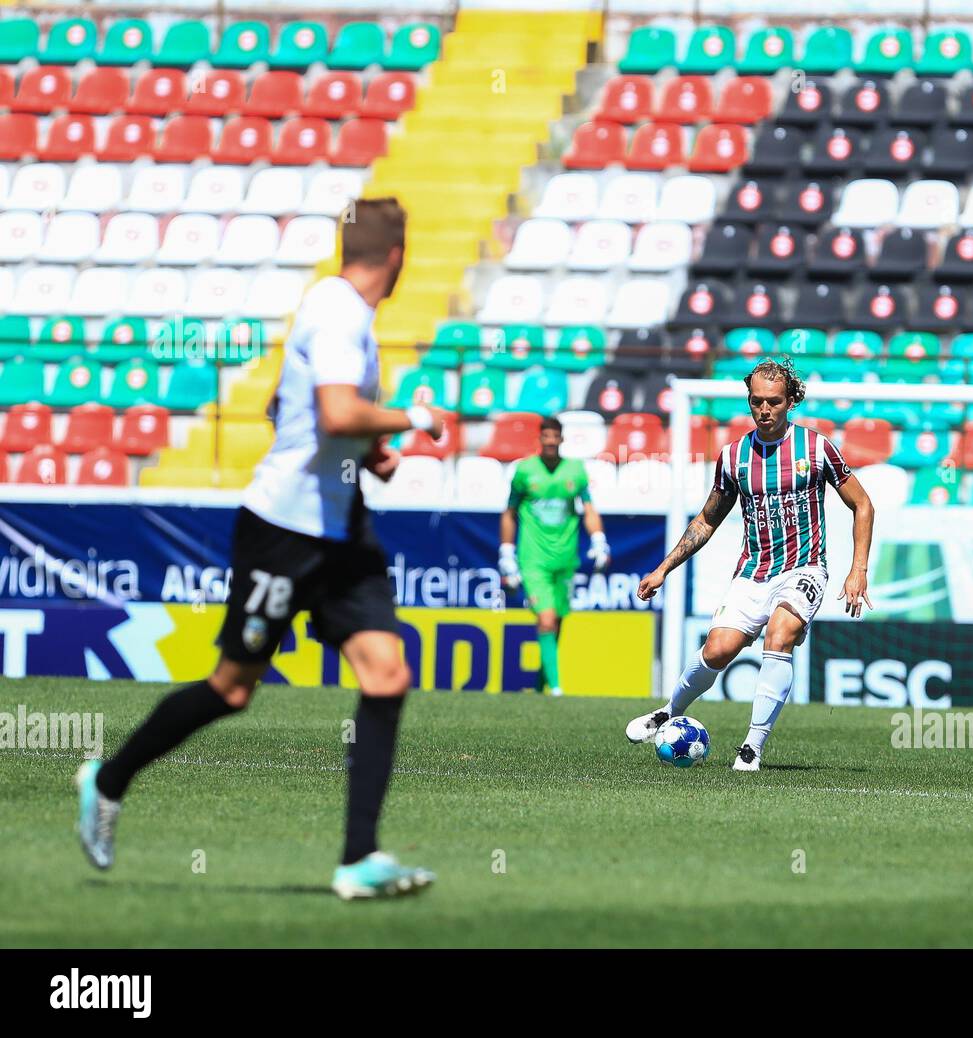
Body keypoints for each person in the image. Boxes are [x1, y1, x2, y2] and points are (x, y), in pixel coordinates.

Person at [77, 198, 445, 900]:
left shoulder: (340, 314)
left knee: (387, 675)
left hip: (342, 531)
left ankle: (359, 859)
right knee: (232, 688)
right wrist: (414, 419)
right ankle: (107, 779)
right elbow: (333, 411)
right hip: (284, 532)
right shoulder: (338, 313)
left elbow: (284, 406)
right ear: (397, 257)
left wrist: (369, 453)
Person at [626, 358, 874, 771]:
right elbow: (707, 520)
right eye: (756, 401)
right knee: (718, 650)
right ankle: (668, 711)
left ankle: (751, 749)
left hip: (804, 567)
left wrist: (858, 568)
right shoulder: (733, 456)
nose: (764, 410)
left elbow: (862, 504)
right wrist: (663, 568)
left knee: (779, 635)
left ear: (790, 400)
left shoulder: (816, 448)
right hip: (753, 572)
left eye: (773, 402)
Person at [498, 417, 610, 697]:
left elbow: (588, 507)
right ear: (540, 439)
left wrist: (598, 540)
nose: (550, 441)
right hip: (533, 558)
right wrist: (506, 552)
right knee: (546, 619)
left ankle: (538, 687)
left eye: (554, 436)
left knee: (557, 620)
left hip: (565, 559)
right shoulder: (524, 471)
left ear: (561, 439)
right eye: (545, 436)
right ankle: (557, 688)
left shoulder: (575, 470)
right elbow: (510, 512)